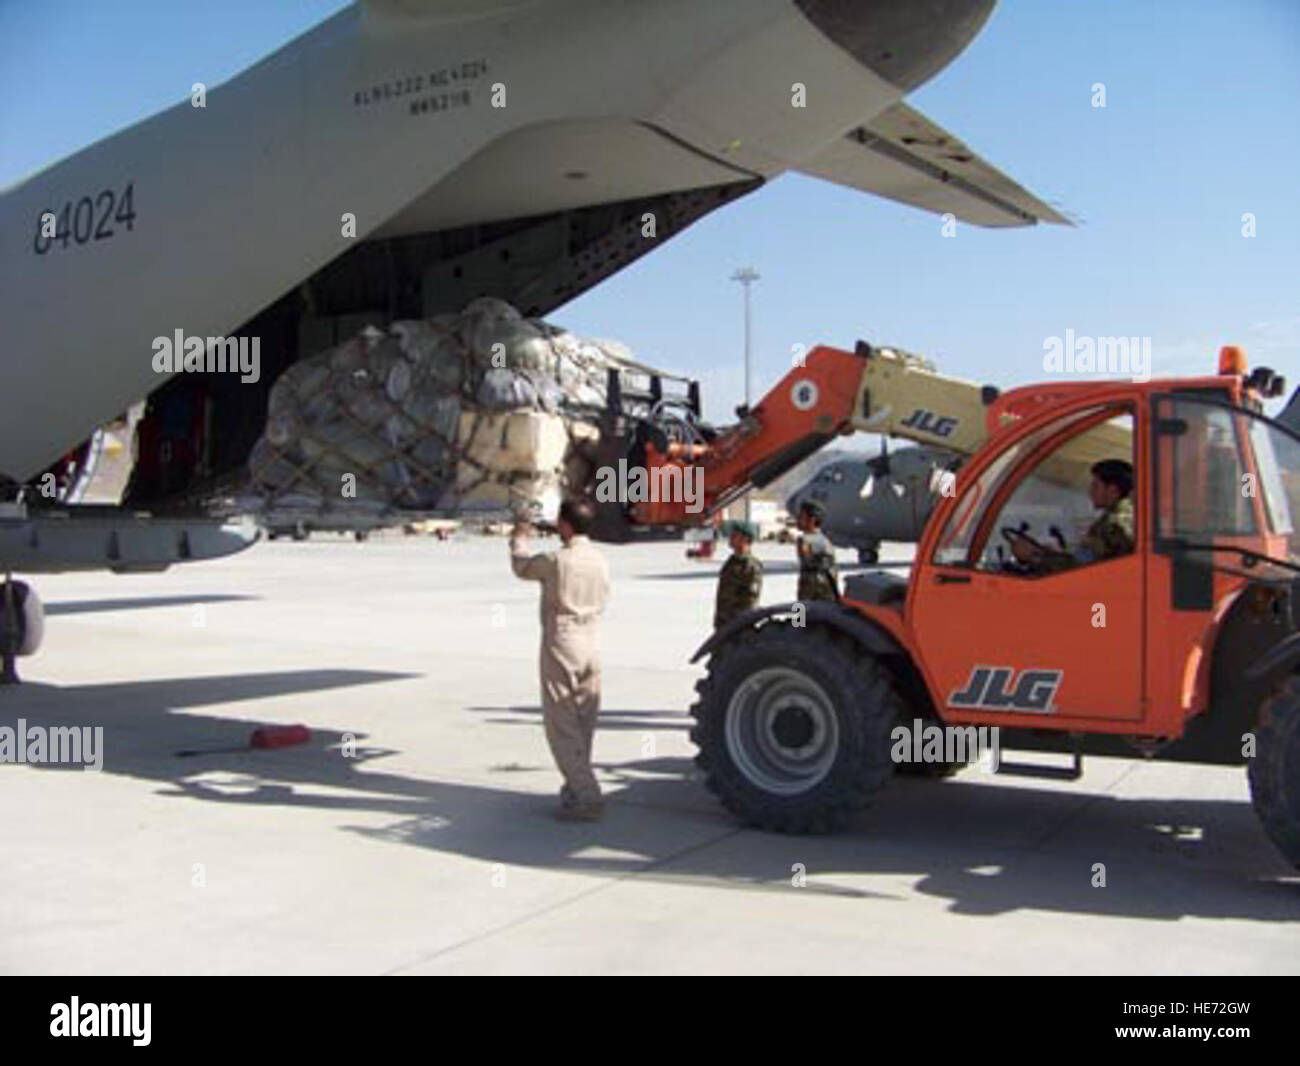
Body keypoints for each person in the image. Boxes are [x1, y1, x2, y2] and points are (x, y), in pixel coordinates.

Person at [510, 497, 611, 821]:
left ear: (565, 524)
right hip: (591, 641)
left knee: (561, 725)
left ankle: (587, 795)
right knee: (583, 723)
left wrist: (520, 534)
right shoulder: (599, 559)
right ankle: (574, 786)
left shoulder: (556, 559)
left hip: (563, 643)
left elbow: (521, 567)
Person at [1011, 459, 1135, 573]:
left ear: (1112, 491)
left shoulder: (1111, 525)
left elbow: (1078, 568)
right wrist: (1048, 553)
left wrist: (1033, 556)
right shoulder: (1132, 516)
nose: (1090, 491)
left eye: (1096, 486)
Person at [713, 520, 763, 628]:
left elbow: (750, 602)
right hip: (724, 623)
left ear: (745, 539)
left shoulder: (751, 566)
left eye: (735, 535)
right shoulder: (731, 562)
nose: (730, 538)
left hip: (739, 626)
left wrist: (740, 624)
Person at [795, 500, 839, 602]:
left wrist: (800, 615)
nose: (798, 519)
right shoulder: (825, 541)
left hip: (813, 596)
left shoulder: (805, 540)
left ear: (812, 520)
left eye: (802, 516)